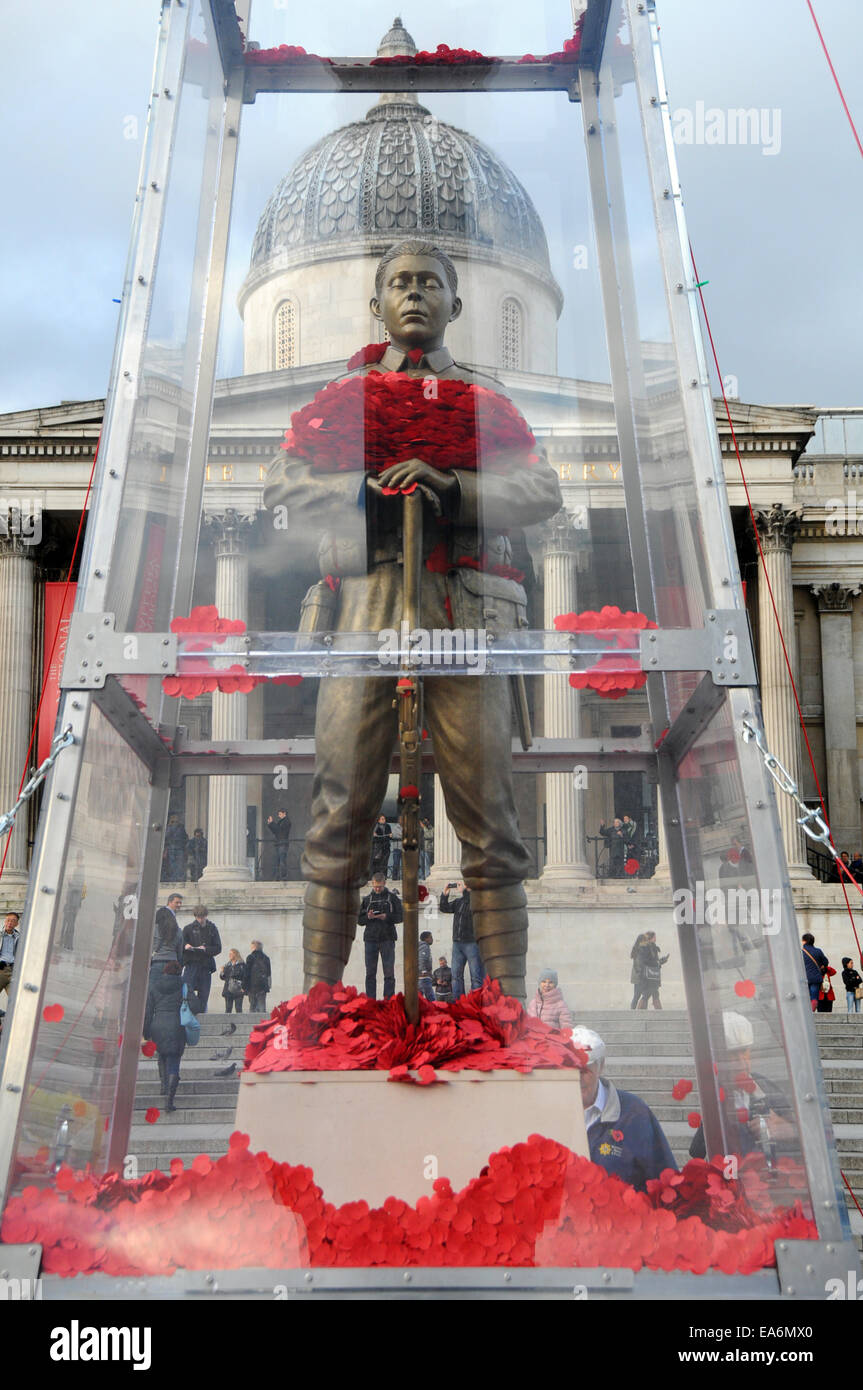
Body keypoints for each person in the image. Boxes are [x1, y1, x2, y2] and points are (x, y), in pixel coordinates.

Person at [264, 239, 562, 999]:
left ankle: (504, 1003)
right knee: (339, 809)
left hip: (466, 616)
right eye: (398, 283)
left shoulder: (487, 402)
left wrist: (450, 483)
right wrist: (369, 491)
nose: (414, 295)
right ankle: (321, 1002)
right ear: (376, 304)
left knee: (488, 813)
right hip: (366, 608)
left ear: (457, 305)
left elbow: (540, 491)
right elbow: (286, 480)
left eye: (430, 283)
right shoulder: (342, 398)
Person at [571, 1025, 676, 1190]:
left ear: (601, 1066)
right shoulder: (550, 1114)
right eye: (570, 1070)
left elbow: (665, 1178)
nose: (577, 1079)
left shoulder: (635, 1113)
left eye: (584, 1071)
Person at [689, 1011, 794, 1161]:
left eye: (744, 1052)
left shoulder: (766, 1087)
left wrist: (784, 1128)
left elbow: (801, 1132)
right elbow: (697, 1150)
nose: (741, 1063)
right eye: (732, 1054)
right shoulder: (716, 1095)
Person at [143, 960, 185, 1112]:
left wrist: (145, 1032)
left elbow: (148, 1012)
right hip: (176, 1023)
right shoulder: (183, 985)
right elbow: (196, 1005)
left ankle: (163, 1085)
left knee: (161, 1054)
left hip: (158, 1024)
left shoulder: (155, 986)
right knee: (174, 1060)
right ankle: (169, 1101)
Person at [358, 871, 403, 1000]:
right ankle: (370, 1000)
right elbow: (359, 920)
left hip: (387, 938)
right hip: (370, 939)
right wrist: (368, 916)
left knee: (389, 972)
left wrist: (386, 916)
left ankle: (388, 1000)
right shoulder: (367, 900)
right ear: (372, 884)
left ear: (384, 883)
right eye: (375, 886)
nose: (377, 889)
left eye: (380, 886)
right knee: (370, 973)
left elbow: (400, 916)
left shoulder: (392, 898)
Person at [439, 881, 483, 999]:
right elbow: (444, 908)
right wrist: (445, 893)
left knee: (476, 976)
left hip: (471, 943)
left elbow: (473, 903)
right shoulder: (459, 902)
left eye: (465, 885)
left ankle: (477, 1001)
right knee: (456, 976)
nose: (462, 886)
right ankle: (458, 1003)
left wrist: (465, 891)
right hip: (457, 943)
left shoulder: (477, 900)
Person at [181, 905, 222, 1014]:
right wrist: (186, 946)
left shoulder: (212, 928)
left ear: (206, 916)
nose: (200, 920)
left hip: (205, 965)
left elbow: (218, 948)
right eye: (198, 917)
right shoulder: (188, 928)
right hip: (191, 963)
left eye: (202, 917)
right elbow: (180, 944)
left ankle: (201, 1012)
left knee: (204, 993)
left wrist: (205, 949)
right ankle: (190, 1011)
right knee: (187, 989)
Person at [632, 931, 669, 1009]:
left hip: (652, 975)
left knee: (650, 994)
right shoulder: (644, 948)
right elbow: (645, 962)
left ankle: (642, 1011)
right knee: (644, 994)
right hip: (646, 976)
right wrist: (657, 963)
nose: (655, 939)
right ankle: (638, 1011)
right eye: (654, 937)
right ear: (650, 938)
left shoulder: (652, 947)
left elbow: (653, 961)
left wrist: (661, 961)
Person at [151, 894, 183, 981]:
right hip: (172, 963)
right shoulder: (178, 931)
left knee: (154, 989)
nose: (179, 905)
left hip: (157, 961)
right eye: (177, 902)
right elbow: (180, 951)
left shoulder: (154, 929)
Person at [60, 852, 86, 951]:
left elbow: (79, 886)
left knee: (70, 923)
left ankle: (68, 944)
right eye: (77, 858)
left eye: (79, 858)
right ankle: (65, 942)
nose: (77, 860)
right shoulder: (78, 869)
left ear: (81, 859)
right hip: (71, 901)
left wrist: (71, 882)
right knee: (67, 922)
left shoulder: (81, 870)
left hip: (73, 903)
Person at [802, 932, 829, 1012]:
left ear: (804, 941)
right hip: (816, 977)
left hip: (804, 978)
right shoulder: (818, 951)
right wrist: (821, 966)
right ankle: (813, 1006)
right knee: (814, 996)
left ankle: (807, 1010)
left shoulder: (801, 952)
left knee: (805, 995)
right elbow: (826, 962)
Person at [245, 940, 272, 1014]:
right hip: (263, 985)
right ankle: (263, 1022)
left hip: (252, 985)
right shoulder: (266, 958)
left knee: (252, 1006)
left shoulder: (250, 957)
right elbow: (269, 973)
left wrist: (244, 986)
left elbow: (246, 973)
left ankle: (252, 1023)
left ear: (253, 947)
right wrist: (268, 985)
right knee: (262, 1006)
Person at [0, 912, 21, 998]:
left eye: (13, 921)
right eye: (8, 920)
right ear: (5, 922)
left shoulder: (19, 938)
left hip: (13, 972)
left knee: (16, 998)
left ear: (16, 924)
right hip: (1, 970)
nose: (10, 923)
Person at [220, 948, 247, 1014]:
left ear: (235, 954)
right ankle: (227, 1023)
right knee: (228, 1009)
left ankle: (240, 1023)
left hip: (238, 988)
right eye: (229, 954)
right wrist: (222, 972)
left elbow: (245, 977)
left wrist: (244, 988)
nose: (229, 955)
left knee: (238, 1008)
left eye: (231, 954)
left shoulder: (242, 965)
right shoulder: (227, 965)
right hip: (228, 988)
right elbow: (223, 977)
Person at [162, 815, 188, 882]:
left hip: (179, 848)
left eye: (176, 821)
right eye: (173, 821)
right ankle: (173, 878)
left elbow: (185, 837)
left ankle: (178, 878)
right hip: (171, 848)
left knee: (179, 864)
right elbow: (166, 837)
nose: (175, 823)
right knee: (172, 865)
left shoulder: (181, 828)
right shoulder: (169, 828)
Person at [268, 809, 291, 881]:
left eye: (280, 814)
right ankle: (277, 877)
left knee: (282, 861)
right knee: (278, 861)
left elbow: (279, 830)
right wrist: (270, 824)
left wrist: (272, 823)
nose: (278, 815)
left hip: (282, 843)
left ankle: (283, 877)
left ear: (284, 814)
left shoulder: (286, 821)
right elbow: (276, 831)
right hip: (279, 843)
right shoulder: (281, 821)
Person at [629, 932, 647, 1010]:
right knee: (639, 995)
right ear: (641, 941)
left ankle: (636, 1010)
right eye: (645, 940)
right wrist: (641, 975)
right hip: (640, 976)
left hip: (638, 975)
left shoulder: (638, 949)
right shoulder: (640, 950)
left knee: (639, 995)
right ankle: (633, 1011)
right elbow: (639, 964)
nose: (646, 942)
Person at [418, 930, 435, 1002]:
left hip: (420, 977)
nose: (432, 939)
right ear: (426, 939)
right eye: (430, 937)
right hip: (424, 977)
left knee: (419, 998)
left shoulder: (421, 946)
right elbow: (422, 959)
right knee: (431, 999)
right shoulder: (425, 947)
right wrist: (424, 971)